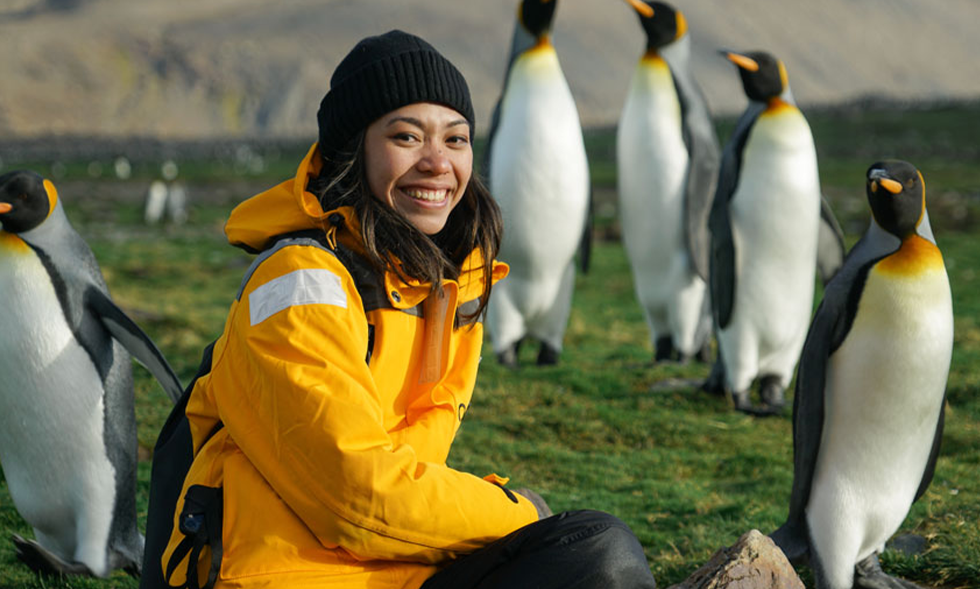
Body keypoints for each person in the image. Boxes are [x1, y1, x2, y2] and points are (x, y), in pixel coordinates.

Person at [150, 30, 657, 589]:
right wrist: (520, 510)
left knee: (591, 555)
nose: (437, 162)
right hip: (281, 575)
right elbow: (356, 496)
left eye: (456, 139)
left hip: (386, 568)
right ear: (354, 150)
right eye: (407, 136)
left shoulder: (445, 283)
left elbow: (402, 475)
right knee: (597, 555)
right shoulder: (301, 281)